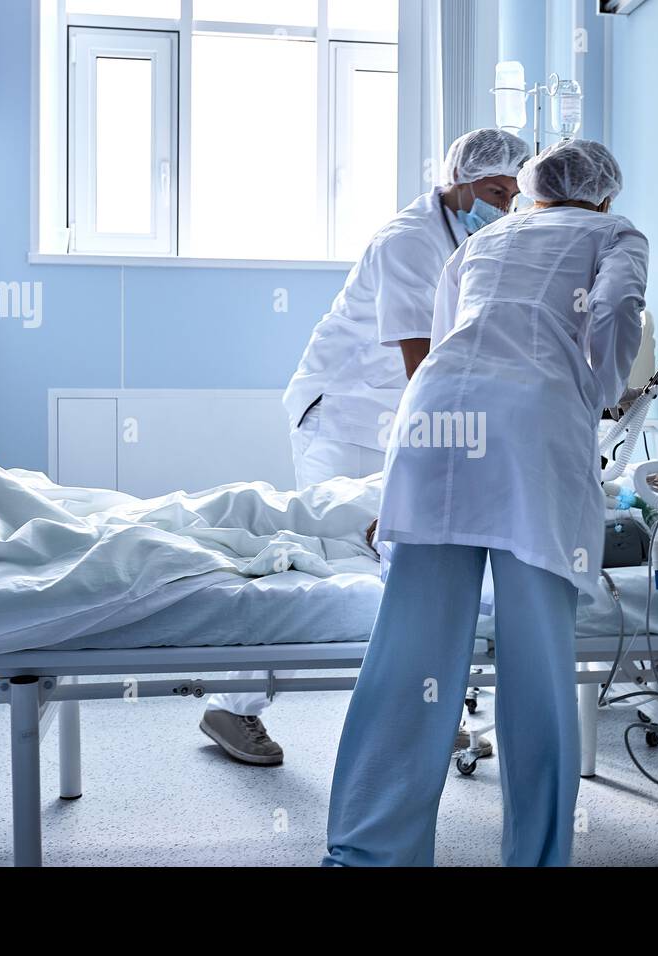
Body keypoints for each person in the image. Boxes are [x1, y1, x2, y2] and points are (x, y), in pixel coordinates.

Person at [323, 140, 649, 866]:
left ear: (534, 190)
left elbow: (445, 336)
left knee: (409, 654)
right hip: (528, 430)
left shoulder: (487, 237)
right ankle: (535, 857)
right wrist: (595, 392)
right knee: (539, 661)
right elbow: (618, 306)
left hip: (436, 419)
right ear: (601, 195)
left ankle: (369, 854)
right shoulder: (612, 232)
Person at [199, 129, 531, 767]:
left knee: (405, 561)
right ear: (458, 177)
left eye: (515, 194)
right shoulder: (410, 241)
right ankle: (233, 706)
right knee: (326, 567)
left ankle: (422, 711)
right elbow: (422, 366)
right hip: (346, 420)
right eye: (494, 190)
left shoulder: (473, 237)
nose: (504, 203)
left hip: (400, 420)